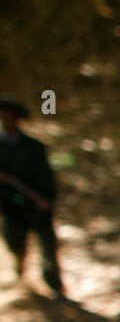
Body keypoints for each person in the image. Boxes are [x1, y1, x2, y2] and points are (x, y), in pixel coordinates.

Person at [0, 94, 63, 296]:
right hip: (12, 206)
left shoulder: (34, 147)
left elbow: (46, 175)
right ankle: (21, 268)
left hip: (37, 205)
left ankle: (54, 285)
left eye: (7, 116)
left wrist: (46, 199)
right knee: (14, 241)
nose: (4, 120)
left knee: (48, 248)